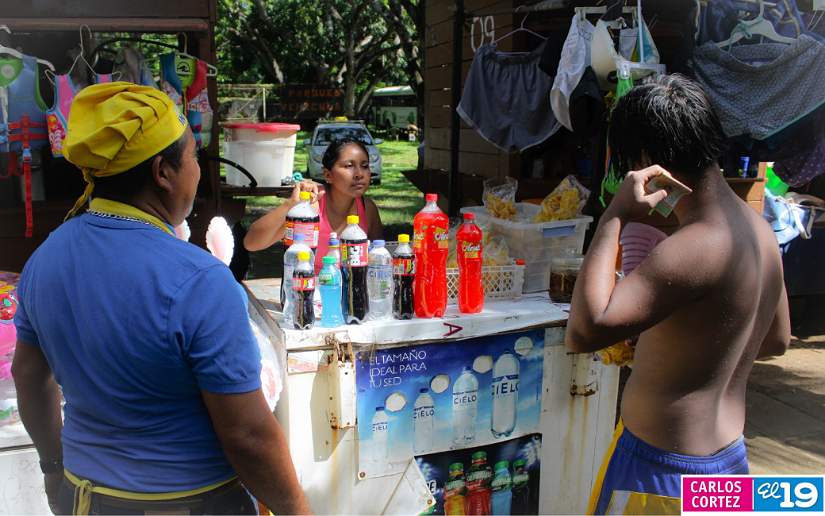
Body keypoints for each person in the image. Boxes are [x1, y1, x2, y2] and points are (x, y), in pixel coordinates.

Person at [11, 83, 310, 515]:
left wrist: (53, 466)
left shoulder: (45, 258)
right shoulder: (200, 279)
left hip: (86, 500)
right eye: (192, 158)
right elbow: (247, 435)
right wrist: (299, 510)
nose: (197, 171)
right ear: (162, 172)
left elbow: (28, 375)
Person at [565, 74, 790, 515]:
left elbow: (583, 331)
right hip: (727, 462)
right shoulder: (758, 230)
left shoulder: (691, 248)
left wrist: (616, 214)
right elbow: (775, 340)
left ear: (648, 163)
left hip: (662, 474)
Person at [245, 138, 384, 273]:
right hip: (308, 290)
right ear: (328, 175)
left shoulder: (367, 209)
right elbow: (251, 243)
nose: (359, 174)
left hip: (351, 291)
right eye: (349, 166)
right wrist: (290, 205)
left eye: (364, 166)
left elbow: (379, 258)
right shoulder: (311, 206)